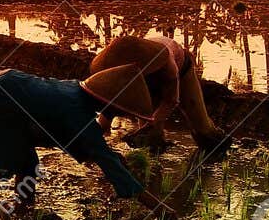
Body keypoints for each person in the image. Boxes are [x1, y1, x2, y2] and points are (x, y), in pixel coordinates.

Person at [0, 65, 176, 216]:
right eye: (119, 111)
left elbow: (84, 142)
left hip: (1, 90)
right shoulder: (75, 110)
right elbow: (99, 152)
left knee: (28, 164)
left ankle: (23, 207)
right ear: (108, 103)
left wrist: (110, 157)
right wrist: (156, 206)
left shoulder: (74, 93)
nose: (119, 116)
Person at [90, 35, 228, 157]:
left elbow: (172, 99)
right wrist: (92, 141)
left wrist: (154, 121)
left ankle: (219, 149)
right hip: (147, 81)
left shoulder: (166, 63)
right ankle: (153, 168)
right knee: (147, 140)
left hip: (181, 73)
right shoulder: (116, 78)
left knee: (203, 130)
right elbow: (107, 112)